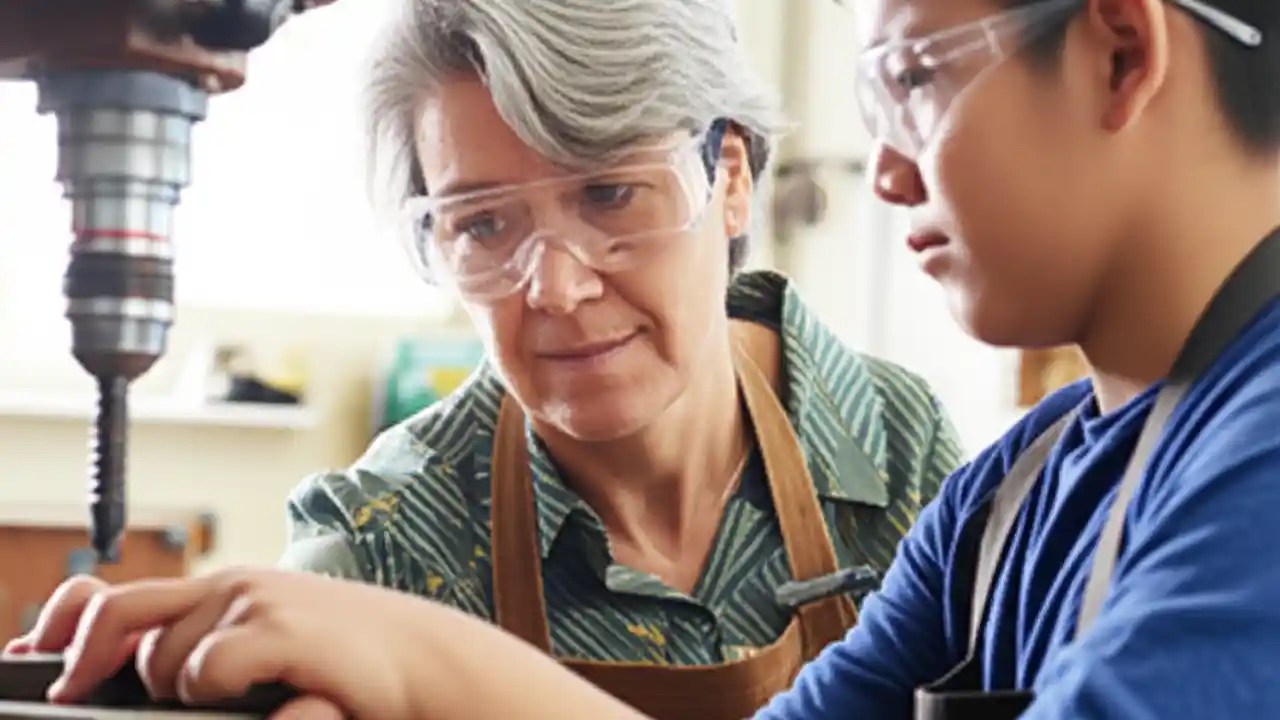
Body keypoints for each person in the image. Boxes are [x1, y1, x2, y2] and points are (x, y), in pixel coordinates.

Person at [22, 0, 1280, 717]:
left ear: (1121, 49)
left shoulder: (1247, 452)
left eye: (912, 81)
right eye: (482, 223)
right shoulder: (1011, 500)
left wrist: (422, 661)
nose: (884, 168)